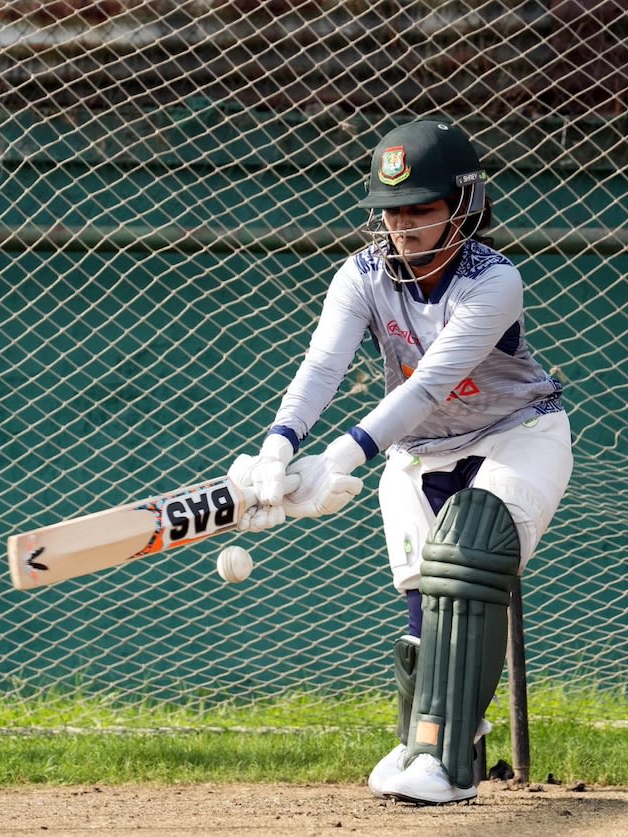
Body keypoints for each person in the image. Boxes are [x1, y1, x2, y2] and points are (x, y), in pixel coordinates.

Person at [229, 119, 573, 805]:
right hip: (420, 452)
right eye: (392, 212)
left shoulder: (493, 279)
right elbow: (323, 363)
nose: (404, 227)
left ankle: (445, 755)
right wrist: (279, 445)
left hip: (519, 433)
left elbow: (429, 384)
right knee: (426, 592)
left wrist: (343, 454)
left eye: (421, 209)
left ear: (464, 205)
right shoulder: (360, 274)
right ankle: (431, 742)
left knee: (470, 554)